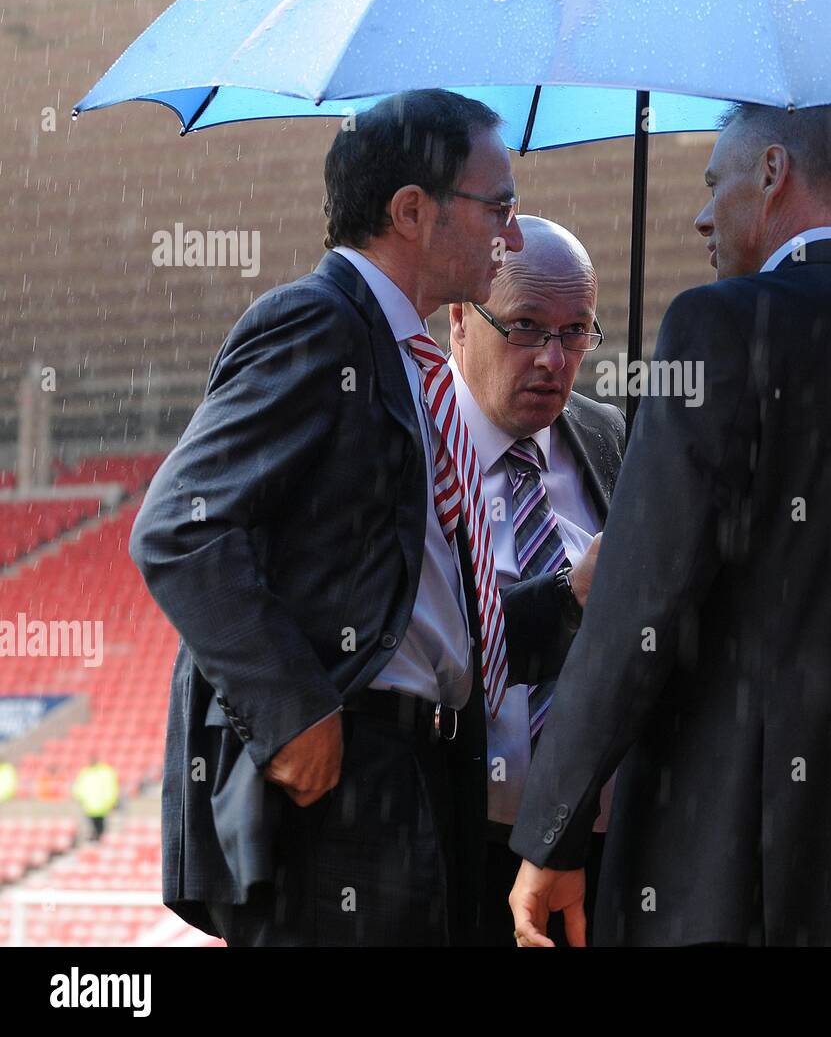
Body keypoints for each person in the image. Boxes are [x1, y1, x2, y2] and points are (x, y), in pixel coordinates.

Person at [508, 103, 831, 947]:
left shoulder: (716, 328)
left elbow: (640, 606)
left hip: (726, 871)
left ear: (774, 173)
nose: (703, 214)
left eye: (715, 182)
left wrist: (553, 829)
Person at [129, 88, 574, 946]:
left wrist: (566, 599)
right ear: (412, 211)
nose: (511, 235)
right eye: (499, 208)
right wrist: (293, 709)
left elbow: (420, 619)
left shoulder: (410, 361)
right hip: (343, 799)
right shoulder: (318, 324)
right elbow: (180, 526)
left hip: (419, 784)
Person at [448, 215, 624, 946]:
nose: (554, 358)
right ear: (460, 318)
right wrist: (567, 600)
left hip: (599, 855)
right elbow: (425, 645)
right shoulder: (410, 446)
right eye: (525, 327)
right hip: (463, 855)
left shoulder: (611, 435)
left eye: (577, 331)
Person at [71, 760, 119, 841]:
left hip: (98, 806)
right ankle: (97, 837)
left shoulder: (88, 773)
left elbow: (78, 788)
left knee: (100, 826)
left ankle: (98, 837)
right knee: (95, 825)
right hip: (95, 806)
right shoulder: (88, 773)